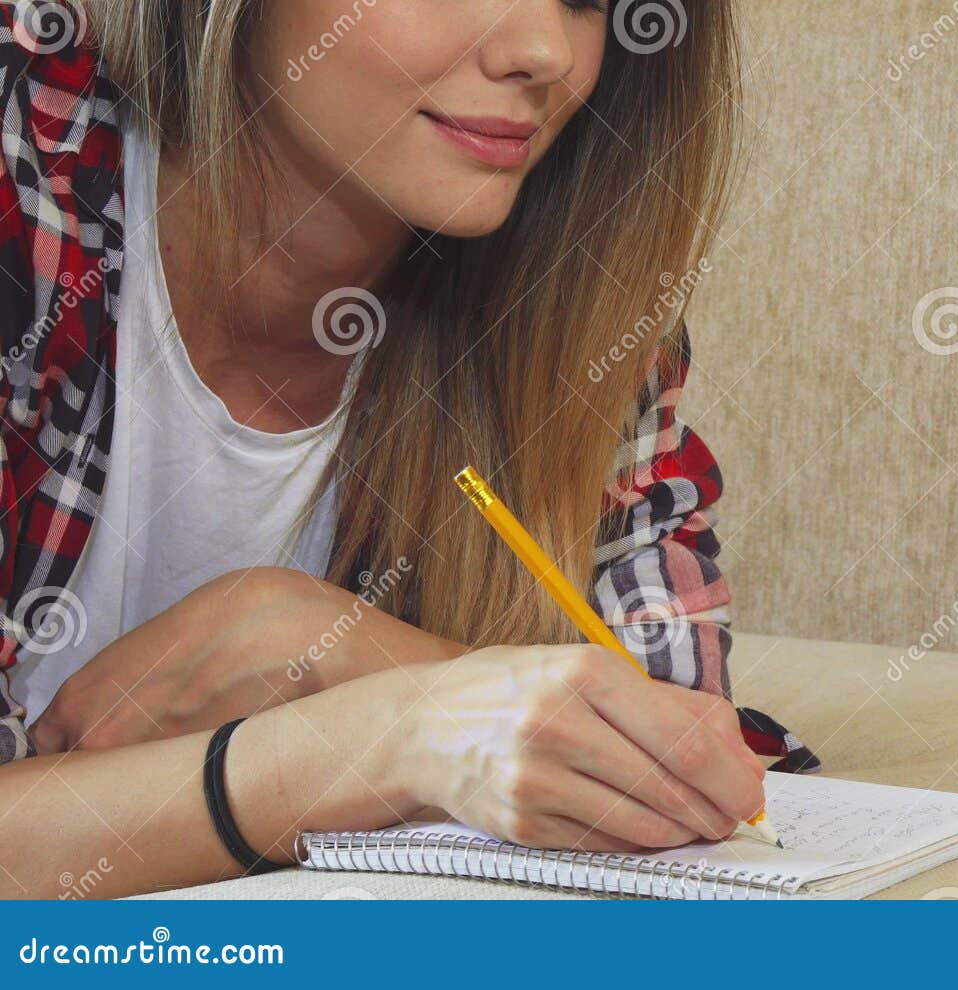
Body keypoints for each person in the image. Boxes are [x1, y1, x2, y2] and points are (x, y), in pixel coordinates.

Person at [0, 0, 772, 898]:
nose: (545, 52)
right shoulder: (24, 167)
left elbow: (683, 751)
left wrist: (323, 642)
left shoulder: (580, 307)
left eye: (588, 1)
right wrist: (365, 744)